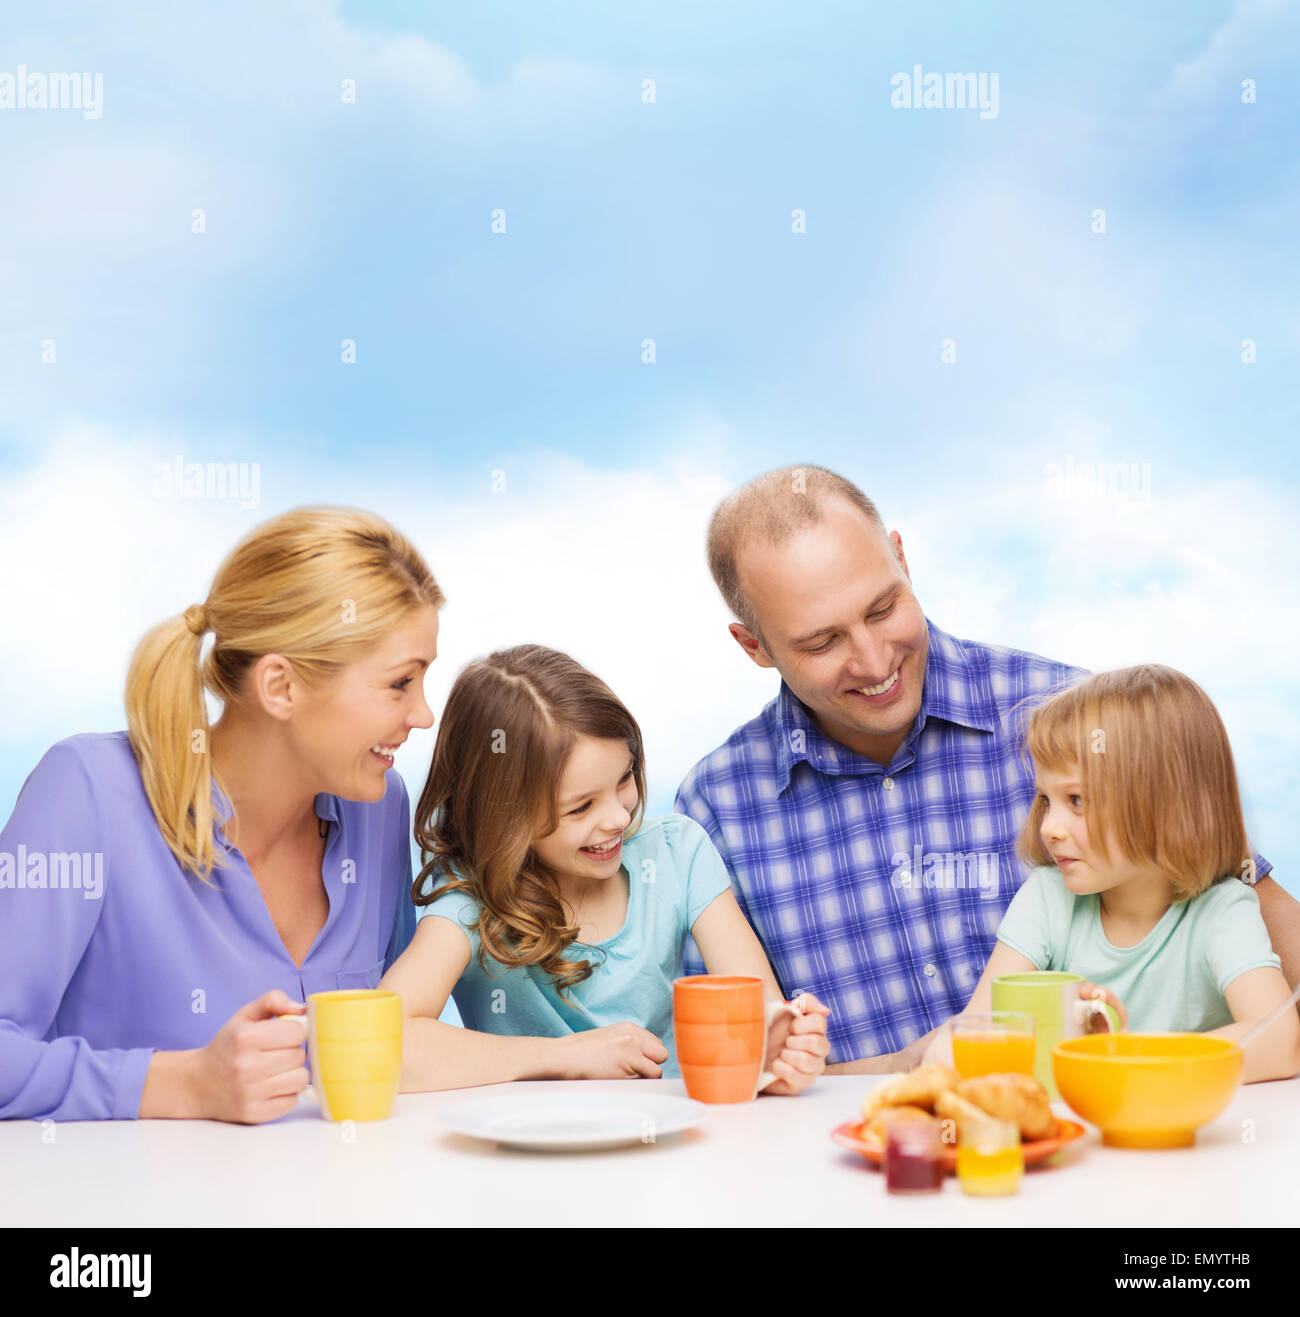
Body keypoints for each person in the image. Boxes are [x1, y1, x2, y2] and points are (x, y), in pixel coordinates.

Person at [675, 465, 1297, 1072]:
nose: (873, 660)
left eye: (883, 608)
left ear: (902, 559)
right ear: (753, 645)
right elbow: (730, 1069)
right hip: (856, 1158)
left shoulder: (1075, 724)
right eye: (822, 643)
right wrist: (903, 1069)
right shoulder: (715, 808)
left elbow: (1232, 886)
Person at [0, 507, 442, 1122]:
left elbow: (399, 1044)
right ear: (281, 687)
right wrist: (182, 1083)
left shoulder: (379, 807)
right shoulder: (88, 794)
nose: (423, 715)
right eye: (400, 683)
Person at [381, 644, 830, 1091]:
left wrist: (781, 1057)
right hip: (527, 1156)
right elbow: (381, 1045)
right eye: (580, 808)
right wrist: (566, 1057)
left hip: (663, 1142)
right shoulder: (471, 899)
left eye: (624, 778)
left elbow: (760, 1020)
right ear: (503, 817)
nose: (618, 817)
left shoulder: (677, 854)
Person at [920, 665, 1300, 1083]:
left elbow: (1280, 1042)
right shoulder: (1048, 897)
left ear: (1166, 806)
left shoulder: (1222, 910)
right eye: (1046, 799)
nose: (1050, 827)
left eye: (1077, 799)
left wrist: (1123, 1054)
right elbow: (973, 1032)